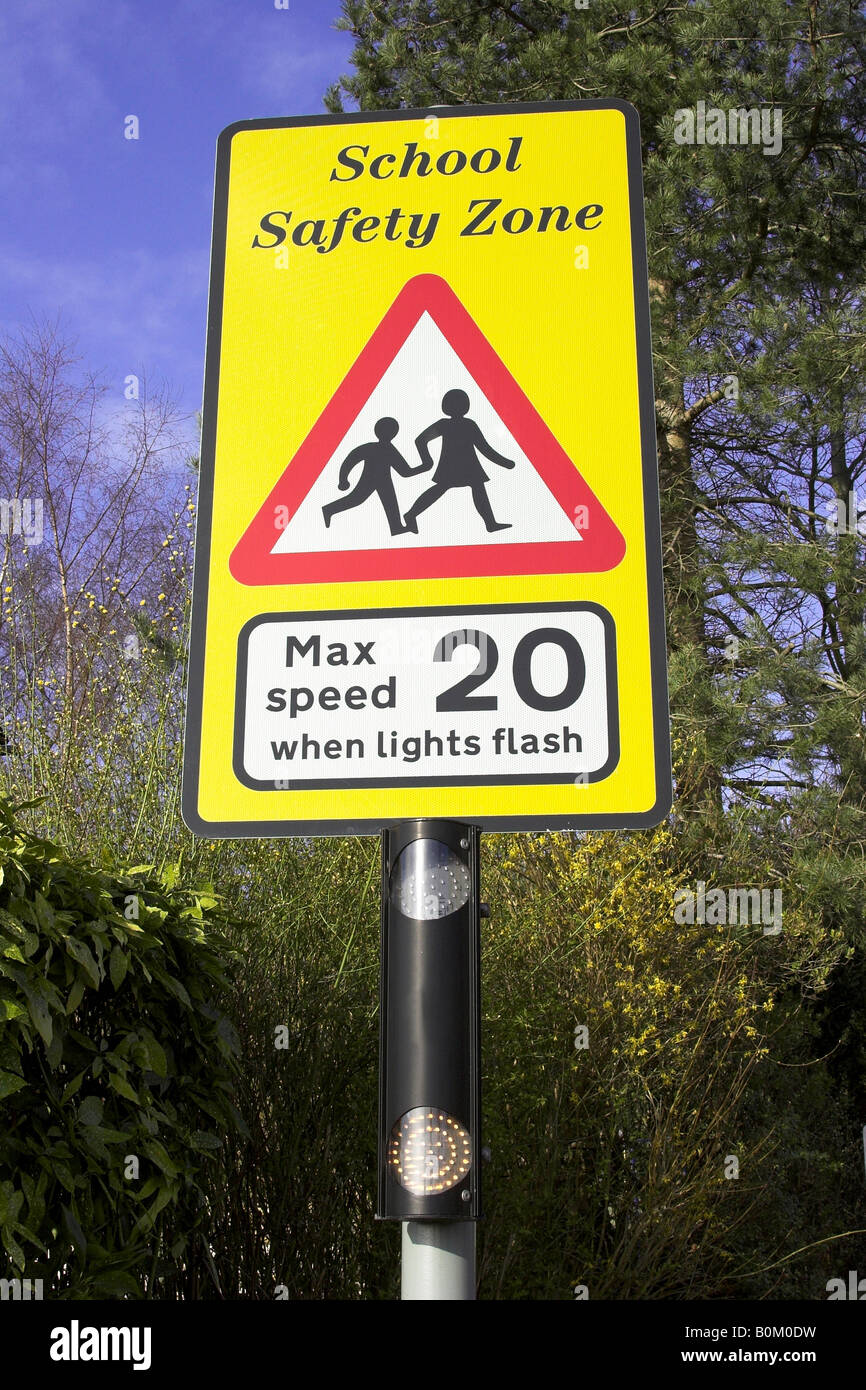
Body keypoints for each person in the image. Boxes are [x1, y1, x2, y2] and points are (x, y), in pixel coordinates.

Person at [402, 389, 515, 534]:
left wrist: (427, 461)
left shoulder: (450, 425)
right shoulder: (462, 424)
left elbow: (484, 448)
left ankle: (490, 523)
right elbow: (484, 448)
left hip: (463, 466)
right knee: (455, 488)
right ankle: (411, 514)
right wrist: (505, 463)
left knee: (472, 487)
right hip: (459, 466)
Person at [322, 417, 426, 535]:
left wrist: (423, 467)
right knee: (356, 499)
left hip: (384, 481)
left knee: (389, 502)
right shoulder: (378, 448)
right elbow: (351, 459)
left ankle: (396, 526)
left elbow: (404, 471)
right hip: (370, 479)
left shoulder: (384, 448)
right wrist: (342, 479)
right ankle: (328, 509)